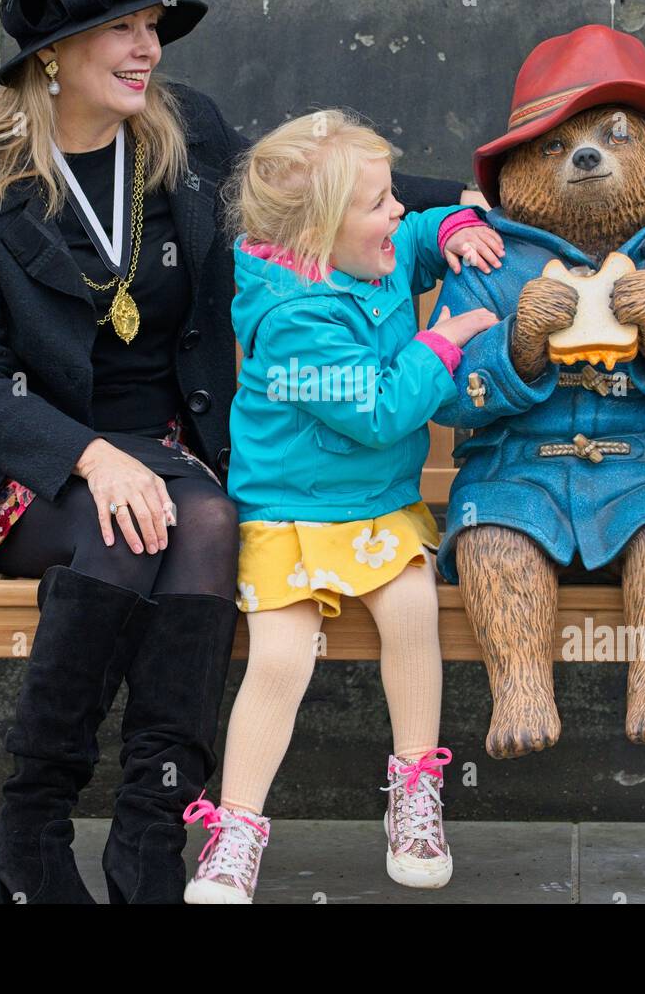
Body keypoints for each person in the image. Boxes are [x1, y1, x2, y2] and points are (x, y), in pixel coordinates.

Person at [0, 0, 488, 904]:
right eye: (122, 28)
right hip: (14, 452)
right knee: (136, 525)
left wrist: (468, 204)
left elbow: (313, 186)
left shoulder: (184, 133)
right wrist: (90, 457)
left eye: (152, 26)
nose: (148, 49)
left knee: (198, 513)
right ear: (51, 55)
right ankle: (32, 826)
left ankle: (149, 838)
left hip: (166, 448)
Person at [181, 110, 503, 903]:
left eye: (391, 197)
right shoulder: (295, 318)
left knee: (412, 612)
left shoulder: (373, 252)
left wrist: (455, 226)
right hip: (289, 513)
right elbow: (380, 410)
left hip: (378, 507)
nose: (398, 211)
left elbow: (421, 234)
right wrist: (445, 341)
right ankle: (238, 828)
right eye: (379, 203)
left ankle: (416, 790)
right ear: (321, 231)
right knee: (281, 658)